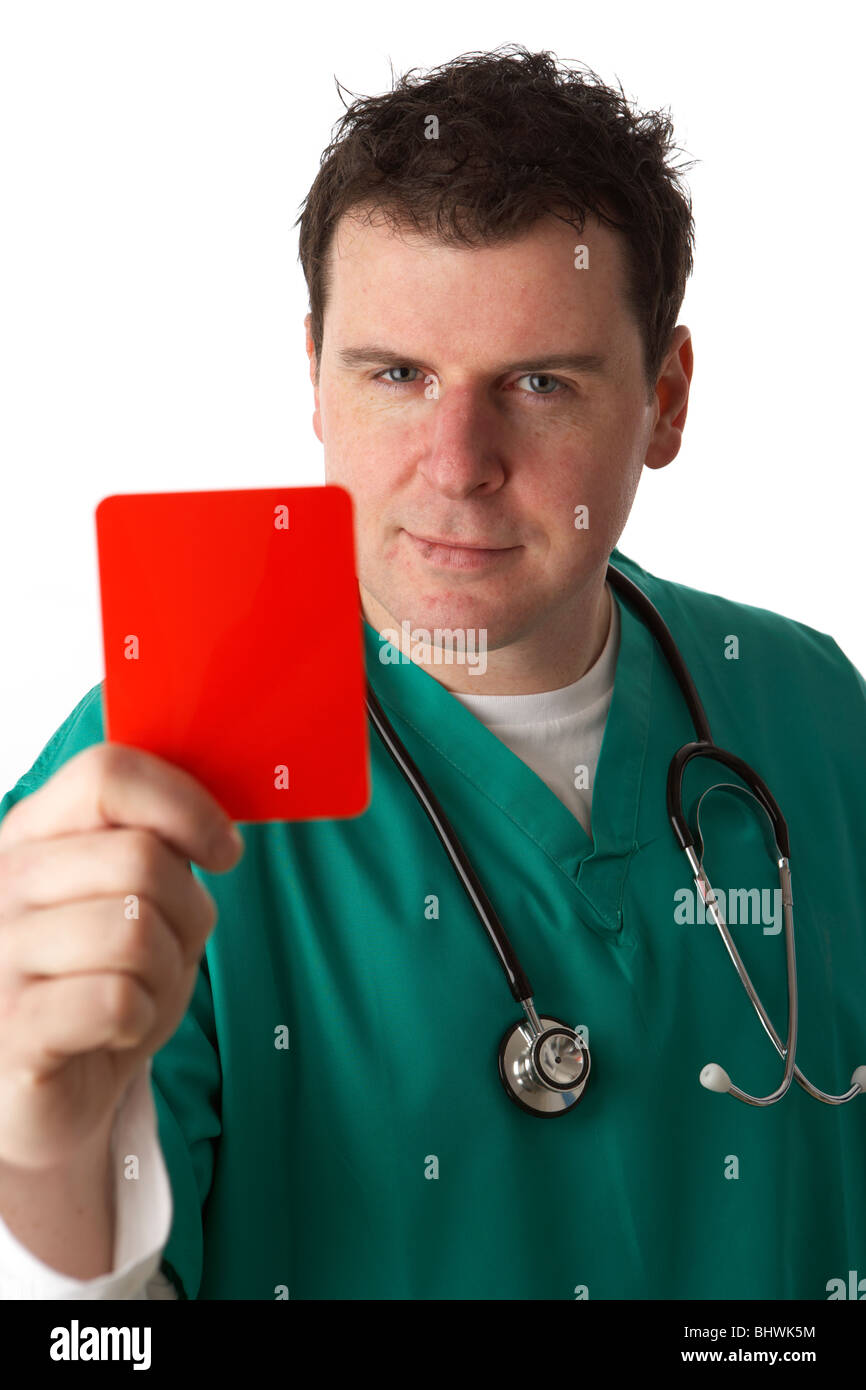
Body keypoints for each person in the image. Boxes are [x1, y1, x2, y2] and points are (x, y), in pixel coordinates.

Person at [1, 44, 864, 1302]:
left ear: (665, 399)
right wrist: (42, 1157)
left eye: (537, 382)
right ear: (312, 378)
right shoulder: (143, 777)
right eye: (396, 375)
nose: (456, 463)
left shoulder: (810, 710)